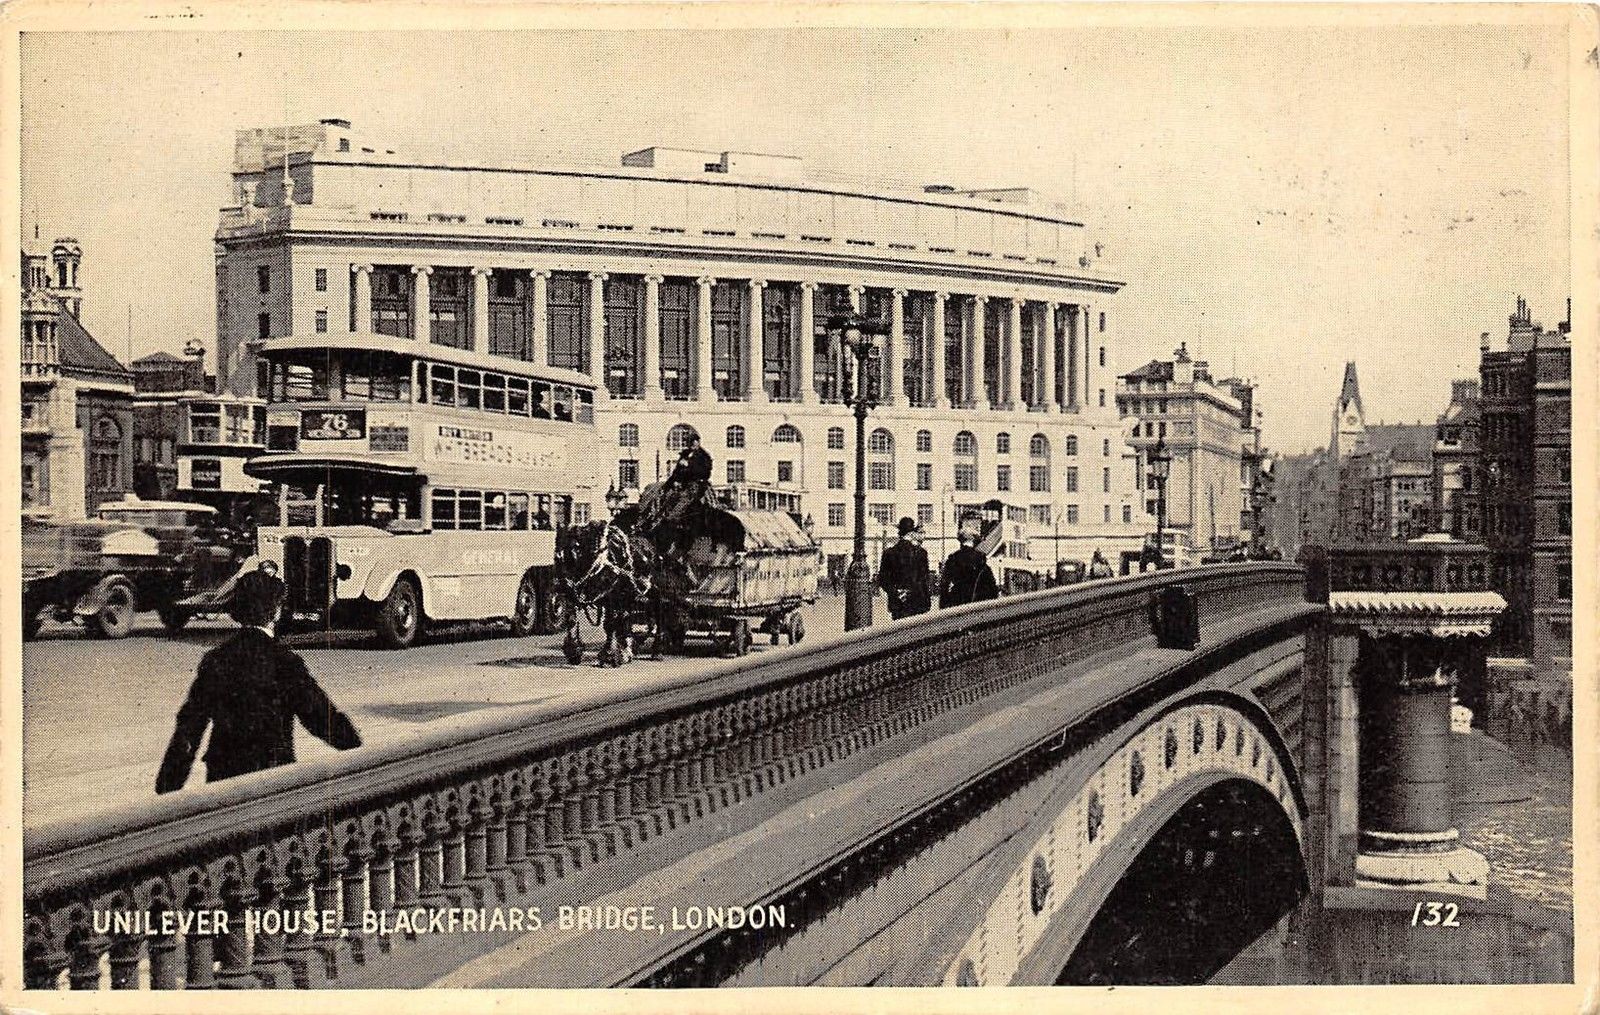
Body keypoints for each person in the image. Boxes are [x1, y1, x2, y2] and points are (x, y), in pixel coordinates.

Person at [155, 569, 362, 793]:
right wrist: (359, 754)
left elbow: (189, 729)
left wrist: (167, 787)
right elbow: (322, 719)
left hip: (224, 781)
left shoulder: (216, 660)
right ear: (275, 613)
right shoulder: (285, 661)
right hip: (273, 781)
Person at [938, 516, 999, 609]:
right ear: (974, 541)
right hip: (977, 606)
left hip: (957, 605)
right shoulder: (981, 560)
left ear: (961, 541)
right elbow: (992, 587)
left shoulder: (952, 559)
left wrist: (943, 605)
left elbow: (944, 585)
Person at [878, 517, 932, 619]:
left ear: (899, 533)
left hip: (897, 603)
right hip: (917, 601)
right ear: (912, 533)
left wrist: (896, 593)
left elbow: (883, 579)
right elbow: (924, 579)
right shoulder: (921, 553)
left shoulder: (889, 553)